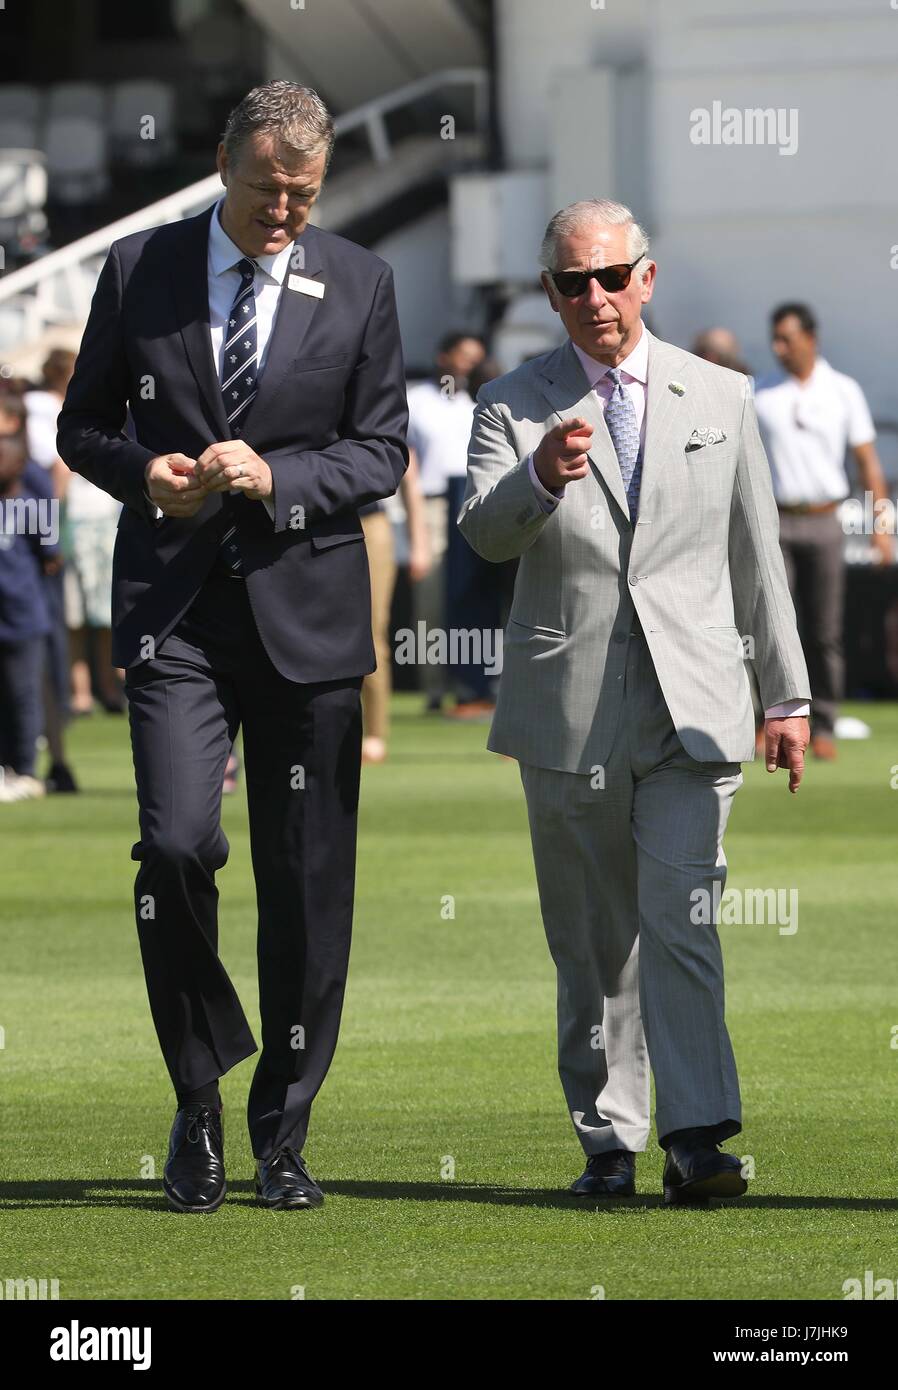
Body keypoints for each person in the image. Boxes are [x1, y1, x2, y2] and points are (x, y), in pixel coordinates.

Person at [57, 81, 408, 1213]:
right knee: (172, 848)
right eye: (267, 190)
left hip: (308, 620)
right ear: (223, 164)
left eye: (304, 195)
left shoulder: (362, 280)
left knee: (307, 888)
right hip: (176, 613)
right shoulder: (138, 269)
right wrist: (140, 472)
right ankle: (198, 1093)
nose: (284, 212)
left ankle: (283, 1134)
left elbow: (381, 450)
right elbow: (82, 424)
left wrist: (279, 478)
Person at [460, 198, 810, 1204]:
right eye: (574, 282)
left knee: (681, 916)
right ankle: (608, 1140)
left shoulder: (721, 394)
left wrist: (785, 694)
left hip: (693, 704)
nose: (597, 298)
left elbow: (757, 557)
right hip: (566, 708)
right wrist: (537, 473)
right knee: (591, 942)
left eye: (612, 276)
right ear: (549, 294)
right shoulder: (511, 403)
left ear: (646, 279)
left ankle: (697, 1136)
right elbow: (484, 535)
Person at [754, 303, 890, 760]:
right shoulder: (761, 392)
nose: (778, 348)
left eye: (786, 338)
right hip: (775, 519)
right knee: (772, 625)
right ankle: (764, 719)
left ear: (810, 338)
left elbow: (868, 462)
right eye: (775, 338)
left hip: (826, 518)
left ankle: (825, 723)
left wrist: (882, 527)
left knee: (826, 629)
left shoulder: (843, 390)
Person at [0, 391, 77, 793]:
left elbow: (48, 545)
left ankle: (28, 767)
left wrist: (48, 549)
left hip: (25, 603)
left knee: (27, 688)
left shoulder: (29, 473)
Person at [407, 332, 485, 713]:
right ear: (443, 357)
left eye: (474, 358)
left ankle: (472, 683)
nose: (466, 365)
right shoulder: (416, 401)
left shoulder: (477, 402)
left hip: (473, 503)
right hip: (432, 504)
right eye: (461, 356)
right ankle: (434, 685)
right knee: (432, 602)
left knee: (469, 595)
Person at [359, 454, 430, 764]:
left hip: (369, 524)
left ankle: (374, 733)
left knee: (371, 631)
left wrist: (420, 543)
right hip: (308, 523)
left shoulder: (373, 409)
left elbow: (408, 476)